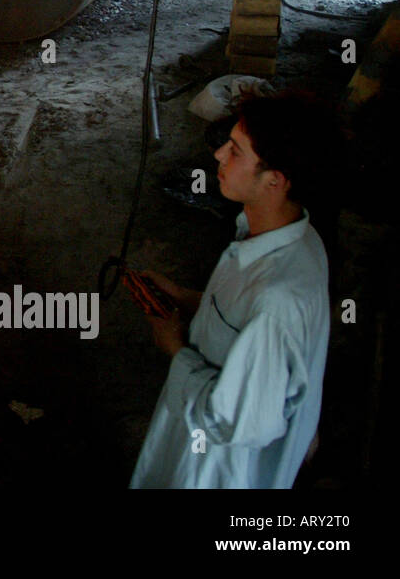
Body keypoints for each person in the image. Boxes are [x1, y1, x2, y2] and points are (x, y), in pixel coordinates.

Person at [129, 92, 337, 488]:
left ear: (274, 179)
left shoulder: (277, 298)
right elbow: (240, 325)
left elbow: (237, 423)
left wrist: (175, 347)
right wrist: (186, 298)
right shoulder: (293, 237)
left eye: (236, 151)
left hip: (221, 467)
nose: (219, 155)